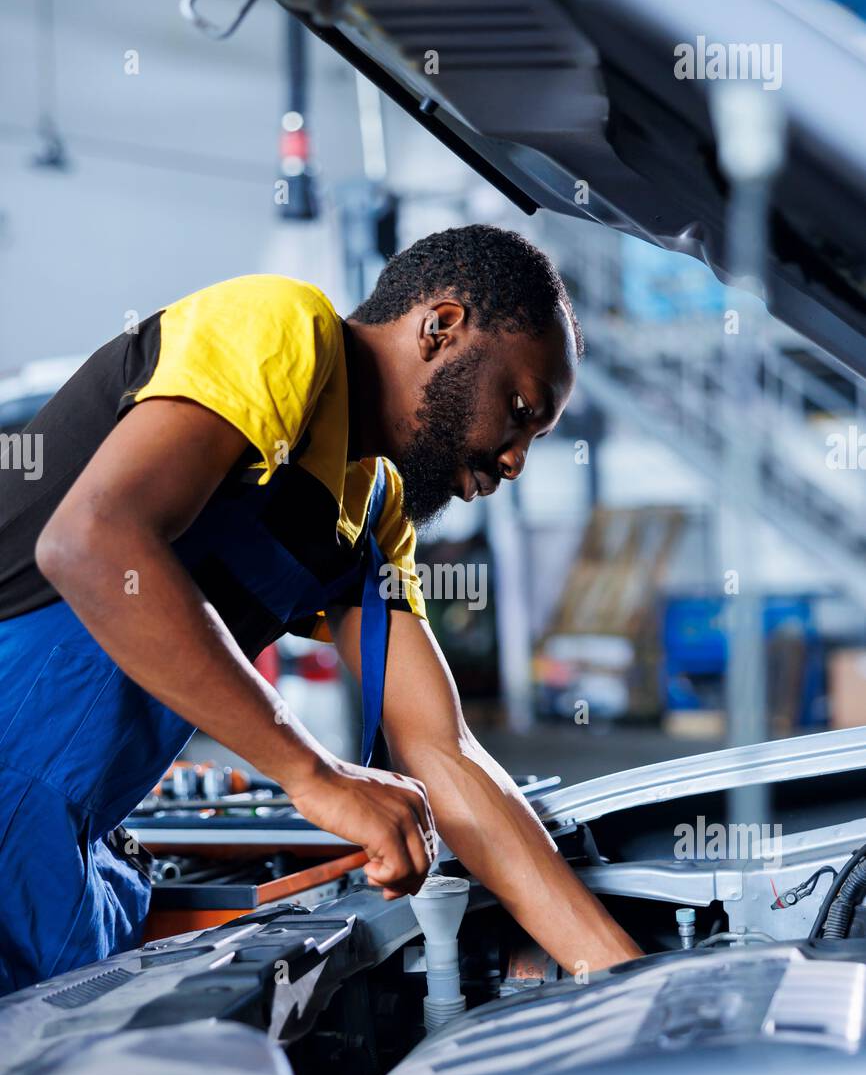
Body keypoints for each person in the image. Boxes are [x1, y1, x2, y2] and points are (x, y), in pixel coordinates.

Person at [0, 225, 641, 994]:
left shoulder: (372, 510)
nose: (514, 459)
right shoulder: (282, 326)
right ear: (441, 328)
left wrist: (625, 980)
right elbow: (93, 544)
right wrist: (313, 774)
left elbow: (444, 752)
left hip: (51, 854)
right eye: (519, 409)